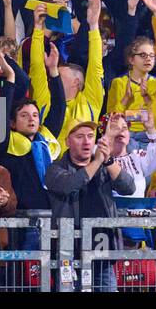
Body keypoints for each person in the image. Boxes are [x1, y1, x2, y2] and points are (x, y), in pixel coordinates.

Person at [44, 119, 136, 291]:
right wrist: (98, 161)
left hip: (102, 247)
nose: (86, 141)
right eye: (79, 137)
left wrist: (108, 161)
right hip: (69, 252)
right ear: (67, 141)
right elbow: (70, 185)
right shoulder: (55, 169)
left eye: (90, 136)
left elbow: (129, 187)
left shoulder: (104, 166)